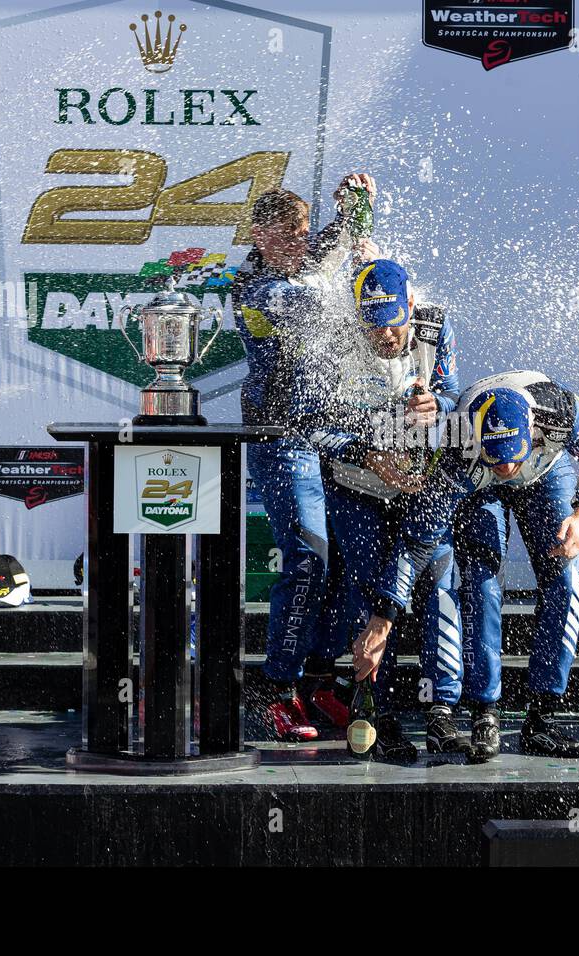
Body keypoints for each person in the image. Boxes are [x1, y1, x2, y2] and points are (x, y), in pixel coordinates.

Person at [350, 371, 579, 762]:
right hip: (480, 489)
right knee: (483, 583)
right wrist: (383, 620)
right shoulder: (457, 450)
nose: (507, 469)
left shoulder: (560, 410)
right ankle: (485, 713)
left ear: (531, 429)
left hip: (547, 475)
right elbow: (418, 542)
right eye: (497, 458)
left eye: (514, 456)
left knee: (565, 580)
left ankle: (542, 719)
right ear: (478, 441)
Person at [230, 175, 377, 741]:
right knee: (308, 559)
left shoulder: (309, 261)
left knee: (346, 559)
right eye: (286, 233)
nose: (298, 240)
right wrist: (351, 256)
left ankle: (319, 682)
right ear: (260, 234)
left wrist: (356, 206)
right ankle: (276, 691)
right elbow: (314, 296)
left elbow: (339, 246)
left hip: (334, 433)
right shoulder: (253, 287)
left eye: (302, 231)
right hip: (281, 438)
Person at [302, 258, 462, 761]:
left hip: (419, 484)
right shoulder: (335, 342)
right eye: (373, 325)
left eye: (393, 322)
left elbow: (456, 397)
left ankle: (442, 711)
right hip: (357, 487)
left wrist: (437, 404)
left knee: (439, 582)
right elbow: (310, 423)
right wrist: (371, 454)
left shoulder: (435, 326)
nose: (385, 335)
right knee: (369, 590)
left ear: (410, 304)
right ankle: (378, 712)